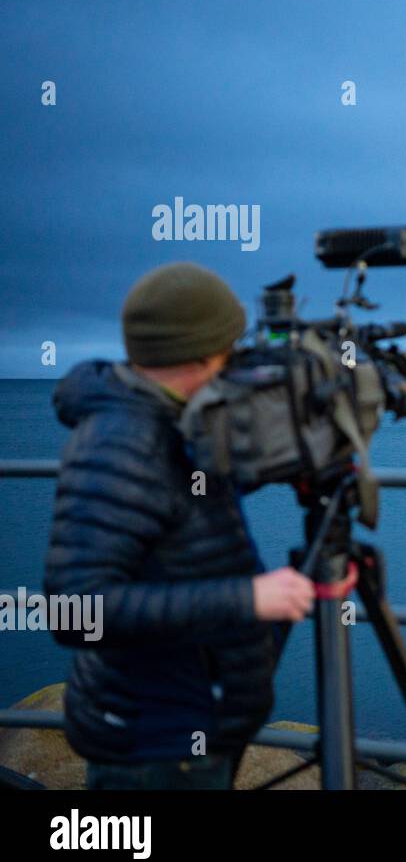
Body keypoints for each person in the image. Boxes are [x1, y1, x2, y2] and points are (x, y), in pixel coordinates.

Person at [43, 262, 315, 789]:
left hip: (194, 721)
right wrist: (247, 599)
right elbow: (74, 612)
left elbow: (180, 503)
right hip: (152, 745)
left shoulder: (171, 418)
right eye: (231, 349)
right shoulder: (119, 444)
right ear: (200, 356)